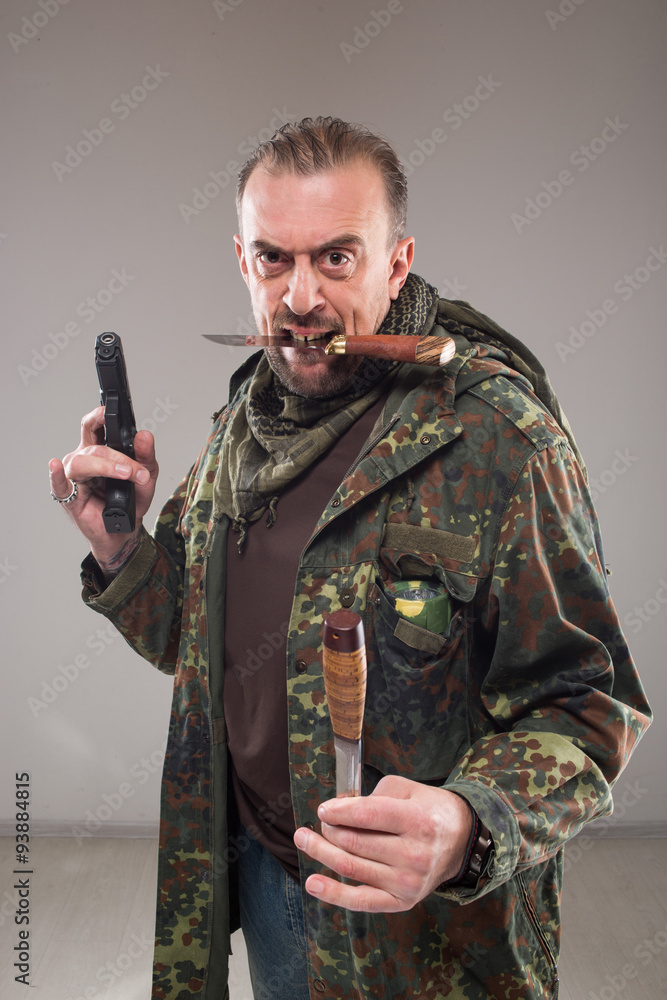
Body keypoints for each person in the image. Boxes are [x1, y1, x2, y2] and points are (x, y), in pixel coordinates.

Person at [49, 117, 651, 1000]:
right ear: (243, 260)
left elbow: (589, 706)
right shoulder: (245, 422)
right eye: (273, 259)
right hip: (270, 881)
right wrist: (121, 547)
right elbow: (194, 645)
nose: (300, 298)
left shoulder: (499, 441)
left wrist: (467, 823)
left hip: (423, 939)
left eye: (336, 258)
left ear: (396, 264)